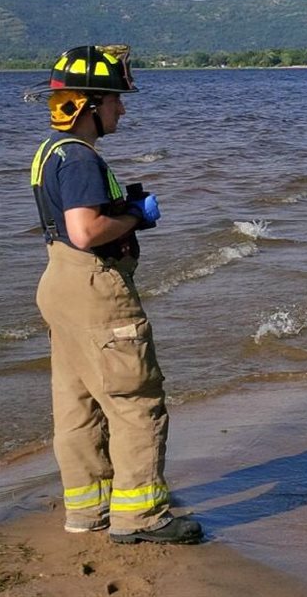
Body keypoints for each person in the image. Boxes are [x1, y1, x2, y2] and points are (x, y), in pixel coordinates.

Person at [25, 45, 203, 545]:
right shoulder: (81, 158)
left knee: (77, 402)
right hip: (94, 286)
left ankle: (88, 511)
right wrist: (136, 215)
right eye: (116, 101)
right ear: (89, 105)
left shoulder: (49, 152)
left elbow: (66, 226)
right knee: (135, 400)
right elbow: (85, 230)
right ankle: (141, 516)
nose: (122, 109)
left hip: (59, 282)